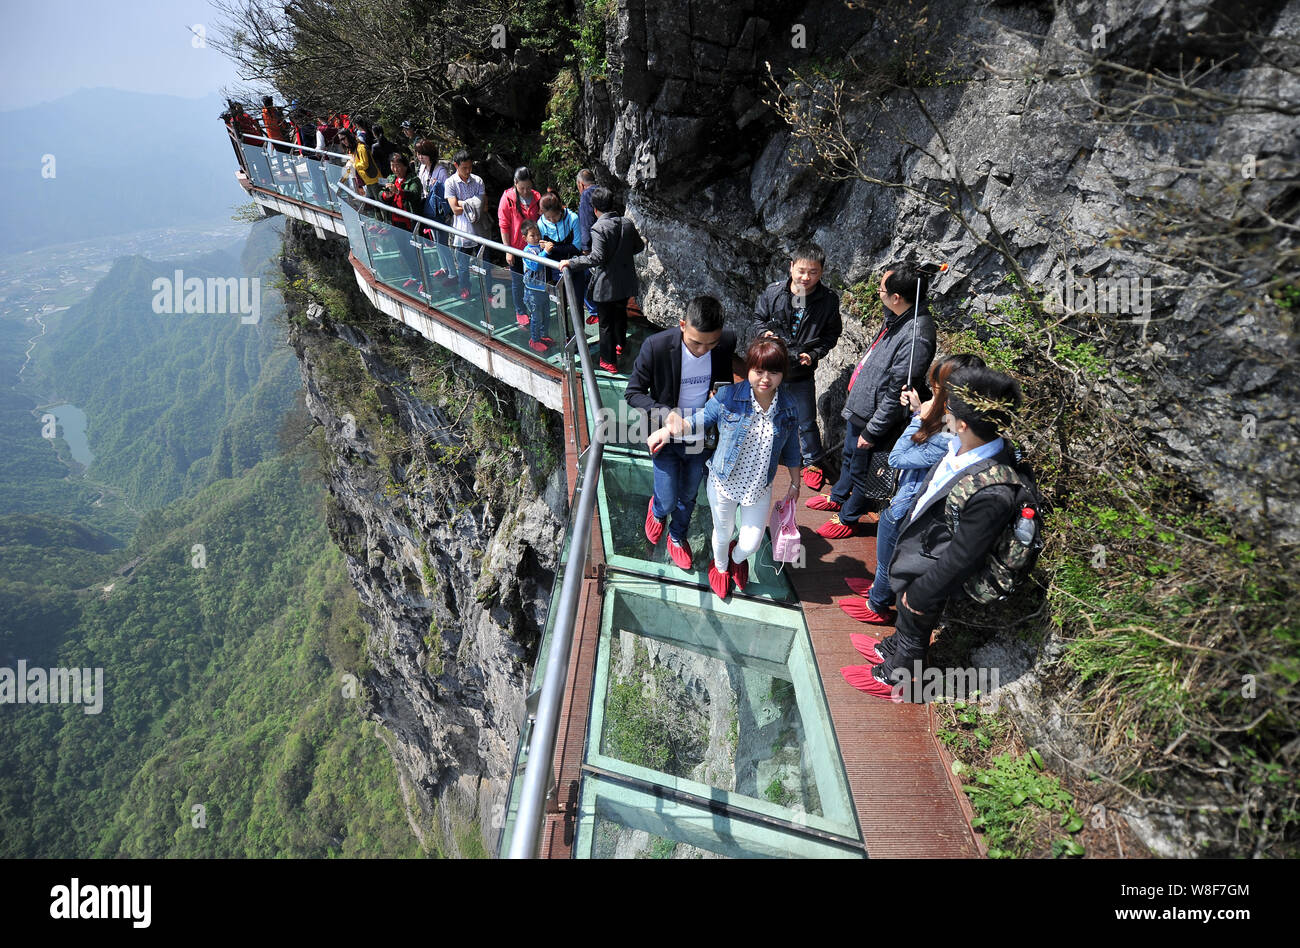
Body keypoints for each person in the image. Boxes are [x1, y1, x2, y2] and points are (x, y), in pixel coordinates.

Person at [841, 366, 1024, 700]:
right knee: (905, 616)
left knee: (915, 620)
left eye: (949, 411)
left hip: (935, 569)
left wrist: (924, 592)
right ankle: (892, 648)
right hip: (922, 548)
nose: (943, 413)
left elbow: (962, 557)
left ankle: (895, 676)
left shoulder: (994, 491)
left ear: (963, 424)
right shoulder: (963, 445)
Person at [839, 353, 985, 631]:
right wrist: (922, 411)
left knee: (887, 557)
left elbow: (898, 457)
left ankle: (877, 603)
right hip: (911, 498)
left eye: (939, 388)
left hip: (907, 504)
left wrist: (921, 417)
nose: (934, 392)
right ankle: (878, 588)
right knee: (889, 555)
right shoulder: (959, 422)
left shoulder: (950, 431)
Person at [648, 337, 801, 600]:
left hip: (758, 488)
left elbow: (792, 449)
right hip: (723, 483)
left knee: (750, 543)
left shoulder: (788, 407)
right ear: (749, 369)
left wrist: (796, 483)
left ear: (782, 374)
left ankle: (736, 556)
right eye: (759, 371)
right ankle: (719, 568)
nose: (765, 378)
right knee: (723, 532)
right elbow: (699, 420)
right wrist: (666, 429)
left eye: (773, 372)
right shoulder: (729, 397)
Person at [813, 265, 937, 539]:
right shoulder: (898, 316)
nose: (877, 293)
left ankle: (848, 517)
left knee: (862, 469)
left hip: (874, 417)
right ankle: (839, 495)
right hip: (862, 406)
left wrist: (874, 429)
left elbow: (897, 390)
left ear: (896, 298)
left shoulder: (917, 335)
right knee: (849, 458)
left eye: (882, 289)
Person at [625, 296, 738, 572]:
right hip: (666, 437)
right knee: (667, 496)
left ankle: (677, 536)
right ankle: (658, 510)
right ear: (682, 325)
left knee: (688, 496)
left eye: (710, 344)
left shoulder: (724, 344)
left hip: (700, 438)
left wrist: (718, 395)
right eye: (696, 342)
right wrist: (665, 413)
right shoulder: (657, 347)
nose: (703, 350)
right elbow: (633, 393)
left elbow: (726, 385)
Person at [748, 244, 842, 490]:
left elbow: (832, 334)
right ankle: (760, 454)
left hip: (801, 370)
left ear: (821, 272)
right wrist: (764, 333)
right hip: (771, 367)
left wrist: (813, 354)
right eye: (801, 271)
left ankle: (811, 462)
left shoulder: (828, 300)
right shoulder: (774, 293)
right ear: (791, 267)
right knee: (763, 414)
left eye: (813, 272)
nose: (805, 277)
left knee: (806, 420)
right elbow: (758, 318)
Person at [560, 187, 644, 373]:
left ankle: (608, 361)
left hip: (606, 284)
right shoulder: (627, 223)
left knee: (605, 323)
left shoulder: (599, 228)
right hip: (625, 280)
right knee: (620, 314)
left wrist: (571, 262)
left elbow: (596, 258)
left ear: (595, 209)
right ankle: (620, 344)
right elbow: (639, 246)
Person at [498, 167, 543, 326]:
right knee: (517, 281)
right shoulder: (507, 198)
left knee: (534, 280)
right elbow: (504, 225)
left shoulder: (537, 197)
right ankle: (520, 310)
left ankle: (535, 307)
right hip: (516, 248)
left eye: (528, 187)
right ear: (515, 184)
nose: (525, 191)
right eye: (522, 188)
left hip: (533, 248)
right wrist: (508, 250)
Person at [444, 150, 486, 301]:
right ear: (456, 165)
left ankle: (488, 290)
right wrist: (472, 203)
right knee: (462, 264)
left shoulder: (478, 181)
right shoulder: (450, 183)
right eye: (464, 168)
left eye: (470, 167)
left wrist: (463, 202)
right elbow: (455, 210)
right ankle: (465, 287)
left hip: (479, 228)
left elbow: (483, 206)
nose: (468, 171)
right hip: (461, 230)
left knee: (485, 263)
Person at [536, 192, 585, 318]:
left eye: (555, 217)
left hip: (573, 263)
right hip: (554, 268)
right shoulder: (541, 223)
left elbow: (576, 247)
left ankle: (579, 334)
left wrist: (552, 247)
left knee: (577, 302)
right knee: (559, 303)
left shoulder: (572, 218)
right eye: (548, 218)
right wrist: (545, 249)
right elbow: (542, 251)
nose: (552, 220)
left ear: (560, 210)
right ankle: (566, 335)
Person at [414, 141, 455, 278]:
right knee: (436, 242)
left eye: (423, 154)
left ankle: (452, 274)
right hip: (430, 211)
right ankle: (444, 268)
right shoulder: (422, 168)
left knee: (442, 243)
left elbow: (448, 193)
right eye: (418, 153)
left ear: (430, 154)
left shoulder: (440, 171)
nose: (420, 157)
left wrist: (436, 187)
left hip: (441, 214)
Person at [519, 221, 552, 352]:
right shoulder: (527, 251)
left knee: (546, 315)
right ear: (525, 238)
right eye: (532, 235)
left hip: (543, 289)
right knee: (536, 317)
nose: (537, 238)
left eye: (538, 234)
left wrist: (545, 249)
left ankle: (544, 335)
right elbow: (536, 265)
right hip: (532, 291)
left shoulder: (540, 247)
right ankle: (534, 339)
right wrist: (546, 252)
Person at [575, 169, 600, 325]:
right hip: (606, 242)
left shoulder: (586, 195)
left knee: (585, 277)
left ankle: (595, 310)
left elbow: (585, 223)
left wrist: (585, 248)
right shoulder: (602, 190)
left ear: (581, 184)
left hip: (592, 245)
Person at [381, 152, 423, 230]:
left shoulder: (414, 180)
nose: (395, 169)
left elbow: (414, 194)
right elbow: (380, 194)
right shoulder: (391, 178)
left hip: (408, 221)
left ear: (405, 166)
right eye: (392, 166)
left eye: (398, 166)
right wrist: (385, 195)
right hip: (393, 220)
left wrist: (398, 191)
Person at [339, 128, 382, 201]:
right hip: (367, 181)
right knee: (374, 206)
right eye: (340, 140)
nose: (343, 142)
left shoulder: (361, 147)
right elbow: (352, 161)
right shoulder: (352, 149)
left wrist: (354, 165)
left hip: (374, 180)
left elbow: (365, 164)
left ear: (349, 136)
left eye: (343, 138)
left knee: (380, 205)